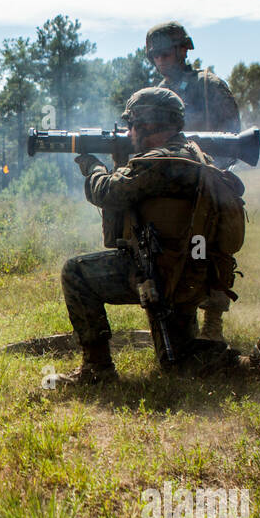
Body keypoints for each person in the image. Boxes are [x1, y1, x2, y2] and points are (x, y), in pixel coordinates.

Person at [57, 88, 213, 385]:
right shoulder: (189, 152)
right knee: (177, 362)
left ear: (148, 124)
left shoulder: (161, 162)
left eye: (132, 125)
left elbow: (109, 192)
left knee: (75, 271)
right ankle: (252, 363)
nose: (128, 132)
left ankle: (96, 369)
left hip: (161, 273)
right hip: (185, 271)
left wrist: (95, 168)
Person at [145, 21, 241, 343]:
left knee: (213, 248)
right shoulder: (155, 96)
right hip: (169, 184)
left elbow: (232, 137)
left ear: (183, 49)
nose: (160, 60)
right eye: (154, 54)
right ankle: (172, 320)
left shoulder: (208, 86)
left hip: (206, 180)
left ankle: (213, 322)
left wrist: (212, 173)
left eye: (165, 52)